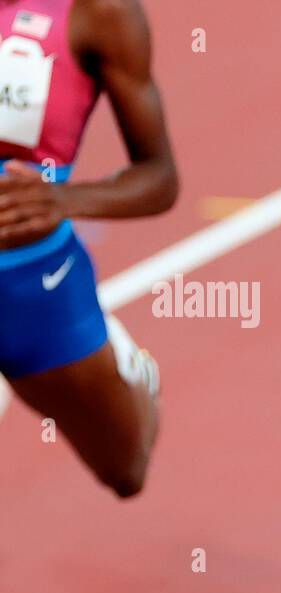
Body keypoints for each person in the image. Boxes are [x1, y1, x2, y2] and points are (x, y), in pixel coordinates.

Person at [0, 0, 178, 496]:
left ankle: (126, 366)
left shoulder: (100, 13)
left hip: (29, 280)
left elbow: (159, 177)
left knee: (124, 469)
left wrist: (63, 198)